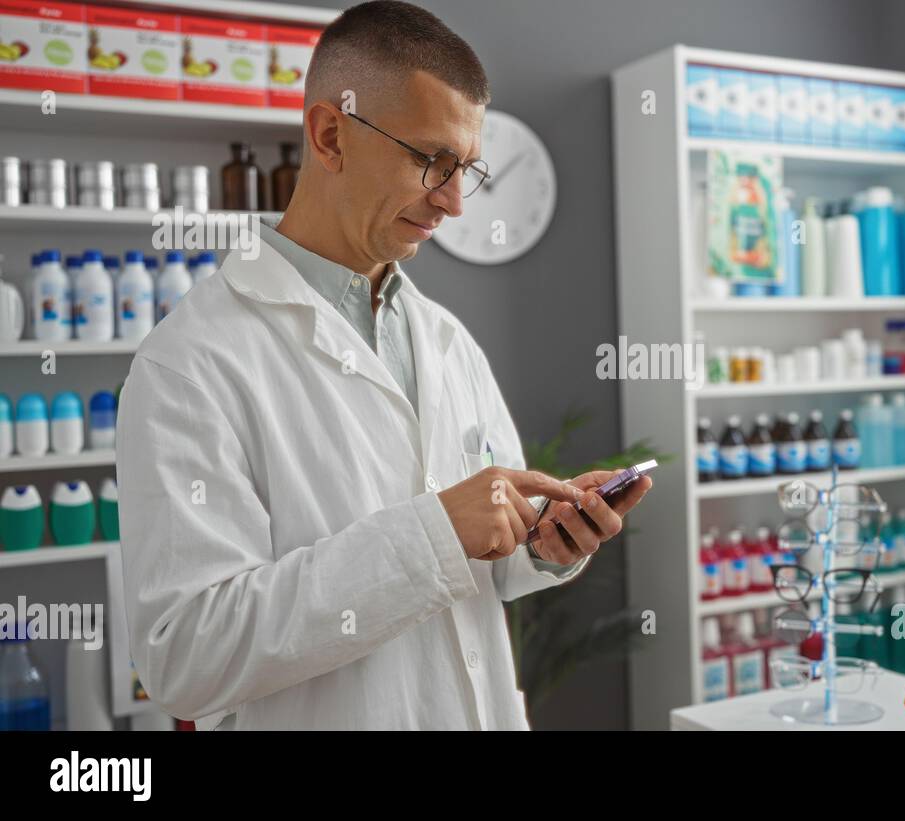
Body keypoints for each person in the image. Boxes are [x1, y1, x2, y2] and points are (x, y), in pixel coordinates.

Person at [116, 0, 650, 730]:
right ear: (332, 134)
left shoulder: (446, 340)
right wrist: (432, 531)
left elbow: (489, 559)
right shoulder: (189, 364)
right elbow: (184, 657)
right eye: (432, 161)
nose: (456, 203)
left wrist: (546, 543)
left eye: (468, 169)